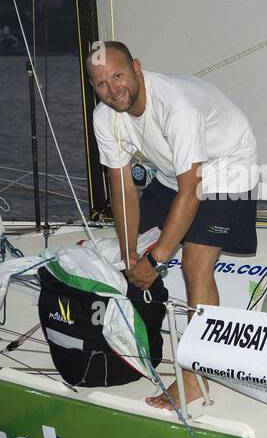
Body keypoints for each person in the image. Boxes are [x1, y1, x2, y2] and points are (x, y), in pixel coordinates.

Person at [89, 41, 258, 411]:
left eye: (117, 76)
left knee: (195, 264)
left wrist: (156, 259)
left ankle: (197, 378)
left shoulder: (176, 106)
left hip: (226, 169)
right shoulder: (105, 117)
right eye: (100, 83)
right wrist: (130, 251)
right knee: (130, 254)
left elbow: (191, 191)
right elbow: (123, 191)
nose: (112, 89)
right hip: (173, 173)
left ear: (136, 67)